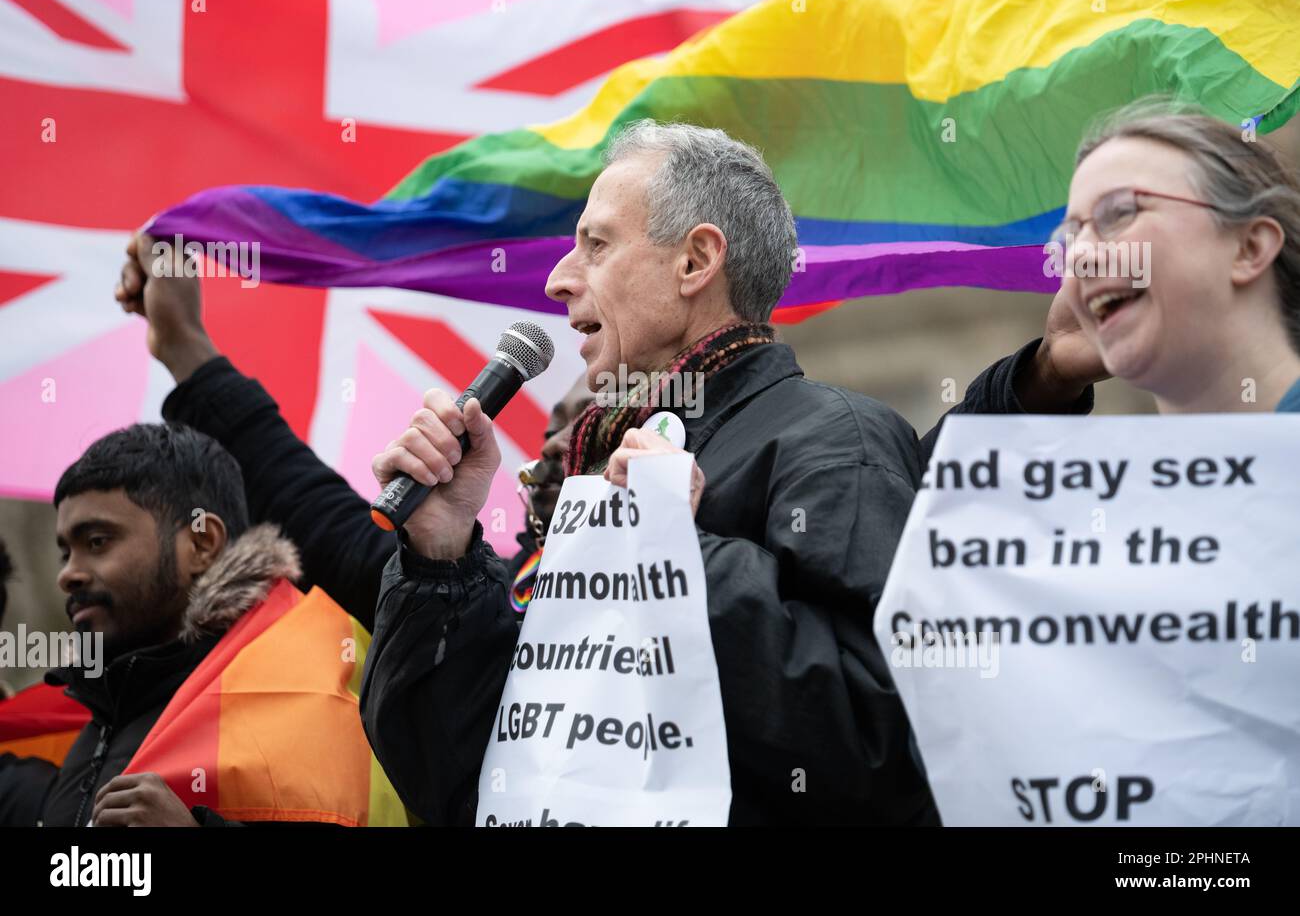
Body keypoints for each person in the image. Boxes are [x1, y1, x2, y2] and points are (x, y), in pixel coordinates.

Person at [359, 119, 1108, 825]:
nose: (558, 280)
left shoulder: (834, 438)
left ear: (695, 261)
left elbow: (878, 745)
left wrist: (687, 558)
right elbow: (457, 783)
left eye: (595, 245)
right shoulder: (591, 482)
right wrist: (441, 556)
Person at [112, 238, 596, 629]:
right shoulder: (499, 596)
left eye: (587, 421)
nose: (556, 444)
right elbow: (324, 524)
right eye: (552, 427)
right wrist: (185, 348)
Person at [0, 423, 403, 826]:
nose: (68, 575)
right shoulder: (95, 712)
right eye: (65, 553)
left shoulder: (312, 694)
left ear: (201, 543)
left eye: (98, 542)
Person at [1058, 99, 1300, 412]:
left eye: (1120, 213)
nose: (1079, 256)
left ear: (1248, 248)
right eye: (1071, 234)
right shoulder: (1117, 461)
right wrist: (1043, 378)